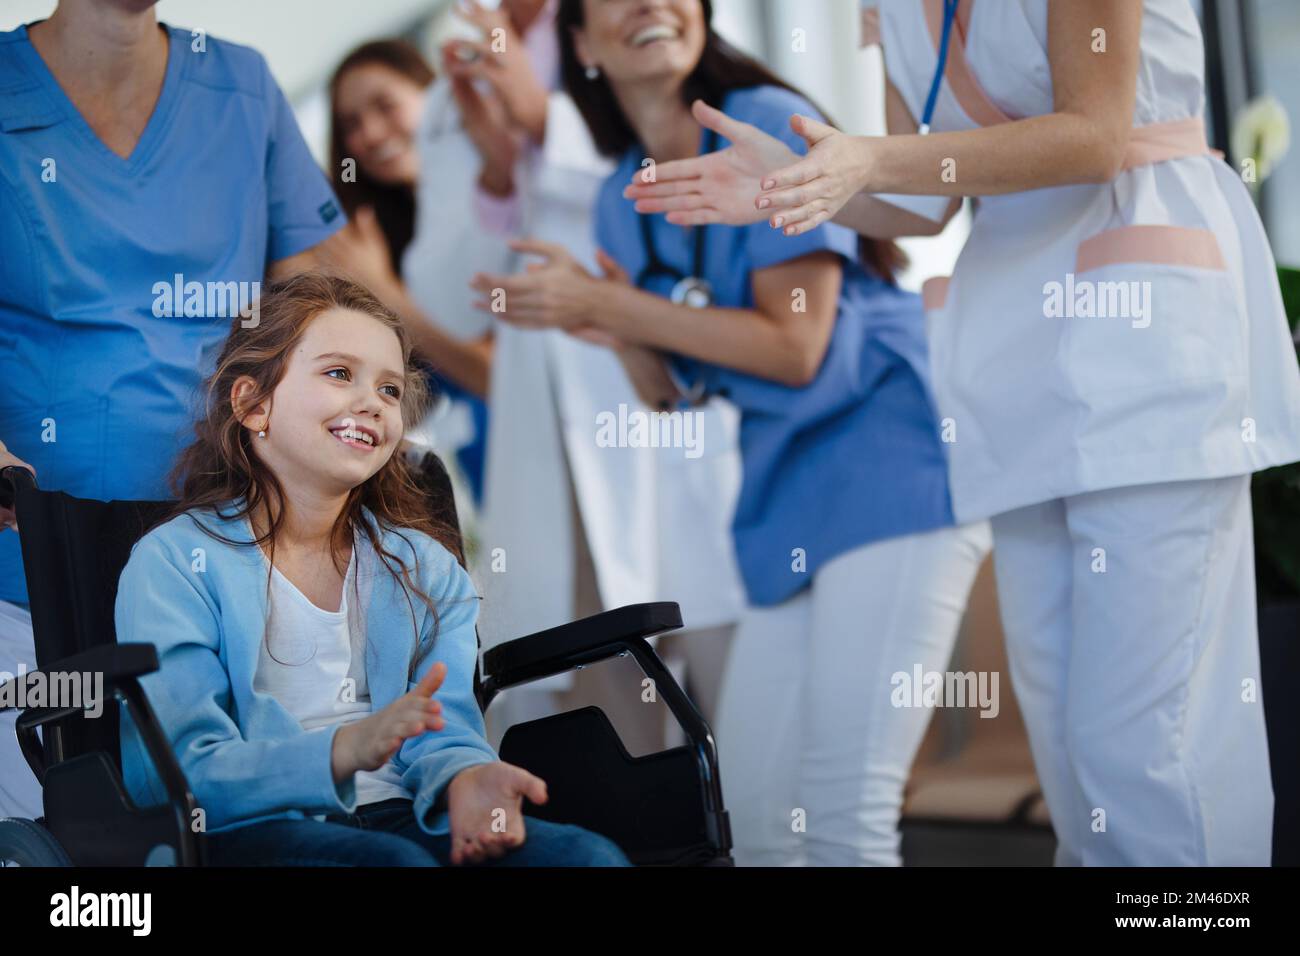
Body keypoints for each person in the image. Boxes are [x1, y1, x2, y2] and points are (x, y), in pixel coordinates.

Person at [628, 0, 1300, 865]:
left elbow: (1093, 134)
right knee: (1070, 747)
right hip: (1021, 366)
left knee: (1148, 742)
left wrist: (865, 155)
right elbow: (921, 203)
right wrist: (789, 183)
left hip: (1149, 342)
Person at [472, 0, 991, 866]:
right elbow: (671, 395)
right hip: (781, 497)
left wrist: (611, 303)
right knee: (748, 814)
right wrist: (609, 328)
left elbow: (797, 347)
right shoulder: (615, 200)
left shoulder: (760, 127)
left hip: (892, 463)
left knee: (840, 812)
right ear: (580, 45)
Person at [115, 273, 630, 866]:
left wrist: (467, 781)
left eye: (389, 389)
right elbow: (184, 772)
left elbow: (448, 730)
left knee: (587, 858)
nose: (371, 402)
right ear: (252, 404)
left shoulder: (425, 569)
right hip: (248, 831)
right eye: (339, 374)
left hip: (403, 813)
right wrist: (343, 749)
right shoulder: (176, 564)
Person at [0, 0, 346, 819]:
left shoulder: (241, 88)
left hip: (221, 564)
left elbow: (316, 316)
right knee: (79, 854)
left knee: (249, 831)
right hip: (27, 583)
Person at [405, 0, 745, 752]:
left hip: (665, 391)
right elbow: (445, 298)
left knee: (731, 687)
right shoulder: (454, 90)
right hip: (547, 437)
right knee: (599, 706)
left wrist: (541, 126)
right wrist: (496, 175)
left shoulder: (626, 27)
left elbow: (677, 192)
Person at [326, 39, 493, 504]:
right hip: (490, 480)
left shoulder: (495, 209)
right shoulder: (386, 242)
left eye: (386, 106)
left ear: (434, 94)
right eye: (352, 124)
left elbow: (497, 373)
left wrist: (383, 290)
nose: (373, 134)